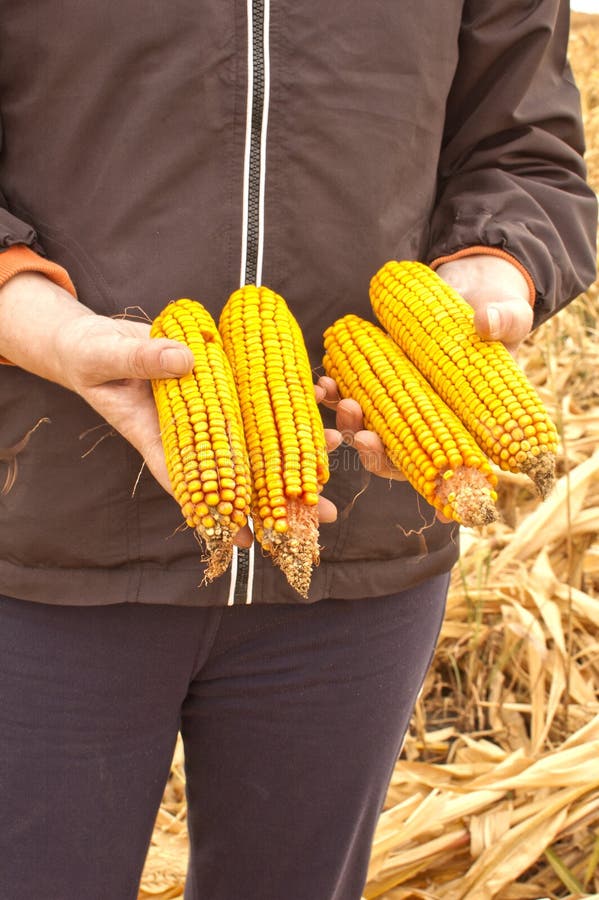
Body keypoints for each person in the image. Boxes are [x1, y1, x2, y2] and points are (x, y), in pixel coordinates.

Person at [0, 2, 596, 899]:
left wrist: (492, 269)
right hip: (39, 540)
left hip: (358, 538)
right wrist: (29, 317)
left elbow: (520, 154)